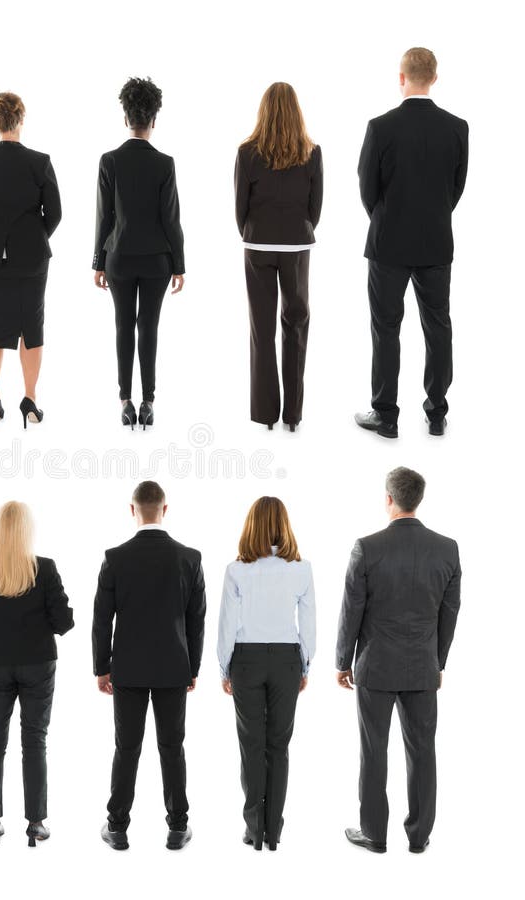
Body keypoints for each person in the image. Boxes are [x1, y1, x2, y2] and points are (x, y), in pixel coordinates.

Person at [336, 467, 461, 853]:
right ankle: (420, 836)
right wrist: (437, 662)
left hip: (375, 666)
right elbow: (450, 611)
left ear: (388, 499)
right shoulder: (447, 548)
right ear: (418, 500)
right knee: (423, 751)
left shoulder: (367, 547)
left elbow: (351, 610)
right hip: (423, 666)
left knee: (374, 750)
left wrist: (342, 661)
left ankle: (374, 834)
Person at [354, 48, 469, 439]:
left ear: (400, 77)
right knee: (438, 326)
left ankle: (385, 415)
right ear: (434, 78)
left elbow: (367, 188)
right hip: (436, 241)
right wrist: (433, 217)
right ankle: (436, 412)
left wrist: (388, 218)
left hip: (388, 243)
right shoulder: (457, 127)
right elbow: (455, 189)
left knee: (386, 328)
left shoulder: (380, 127)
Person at [92, 481, 205, 850]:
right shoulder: (190, 558)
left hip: (128, 668)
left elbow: (101, 619)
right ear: (165, 509)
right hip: (174, 665)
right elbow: (196, 620)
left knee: (127, 748)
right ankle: (177, 827)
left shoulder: (115, 557)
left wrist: (101, 667)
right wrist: (193, 668)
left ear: (133, 510)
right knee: (172, 747)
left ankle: (118, 826)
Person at [0, 502, 74, 847]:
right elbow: (64, 623)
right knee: (34, 741)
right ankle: (35, 823)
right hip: (38, 663)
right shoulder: (45, 569)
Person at [217, 497, 315, 851]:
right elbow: (309, 622)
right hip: (287, 658)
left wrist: (224, 665)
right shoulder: (301, 569)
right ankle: (274, 830)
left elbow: (227, 623)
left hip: (247, 659)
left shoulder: (237, 569)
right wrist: (306, 662)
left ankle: (254, 828)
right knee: (279, 746)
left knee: (251, 746)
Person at [0, 93, 61, 428]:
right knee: (31, 325)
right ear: (21, 120)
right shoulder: (39, 161)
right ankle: (30, 399)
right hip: (33, 256)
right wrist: (33, 236)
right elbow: (56, 214)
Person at [92, 77, 185, 430]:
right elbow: (171, 219)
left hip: (118, 256)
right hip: (157, 260)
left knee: (122, 325)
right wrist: (179, 265)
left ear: (126, 118)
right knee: (149, 326)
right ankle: (148, 401)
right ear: (154, 120)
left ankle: (125, 401)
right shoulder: (165, 164)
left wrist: (98, 262)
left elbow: (104, 217)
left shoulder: (109, 160)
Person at [235, 83, 323, 432]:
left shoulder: (247, 153)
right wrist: (296, 232)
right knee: (296, 326)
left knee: (262, 330)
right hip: (297, 247)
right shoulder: (311, 152)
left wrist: (256, 232)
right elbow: (315, 209)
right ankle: (293, 415)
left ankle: (266, 415)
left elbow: (239, 208)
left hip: (258, 246)